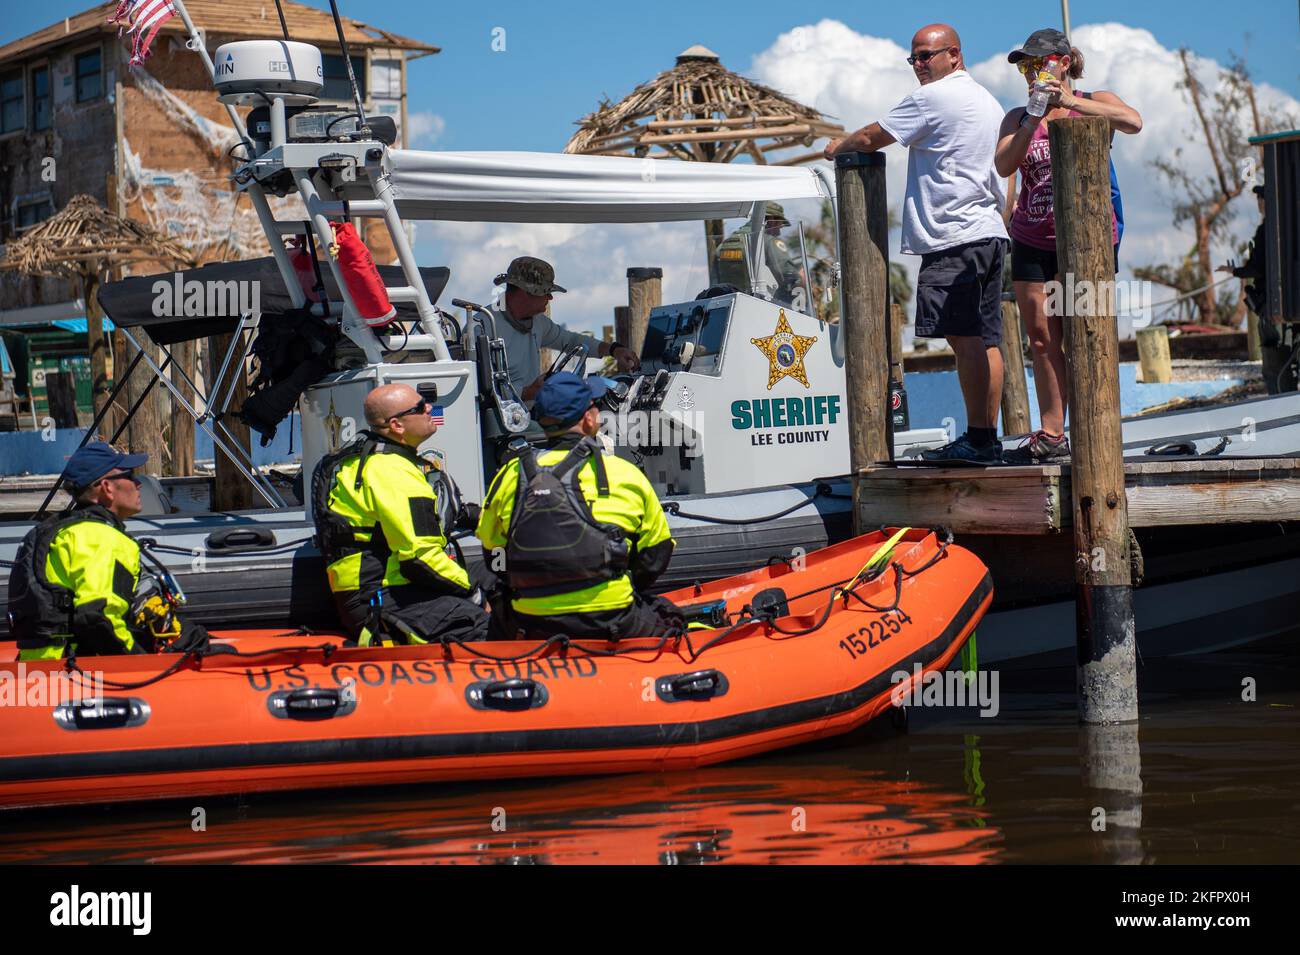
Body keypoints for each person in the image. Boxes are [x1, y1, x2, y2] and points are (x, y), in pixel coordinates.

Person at [825, 23, 1009, 464]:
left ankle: (979, 440)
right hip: (987, 231)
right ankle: (987, 437)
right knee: (985, 340)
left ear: (954, 56)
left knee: (964, 339)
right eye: (914, 59)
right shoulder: (987, 99)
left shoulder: (935, 98)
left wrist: (837, 146)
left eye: (927, 56)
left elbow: (872, 137)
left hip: (954, 235)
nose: (920, 66)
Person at [996, 29, 1142, 464]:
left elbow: (1133, 122)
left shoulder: (1095, 99)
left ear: (1062, 62)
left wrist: (1069, 102)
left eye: (1038, 63)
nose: (1030, 72)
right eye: (1025, 66)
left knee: (1086, 335)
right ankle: (1053, 432)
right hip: (1031, 240)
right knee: (1041, 339)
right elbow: (1004, 163)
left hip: (1086, 243)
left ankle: (1095, 429)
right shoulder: (1017, 116)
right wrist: (1033, 117)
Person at [476, 372, 683, 641]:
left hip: (531, 622)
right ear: (588, 418)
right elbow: (654, 557)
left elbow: (495, 557)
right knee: (672, 618)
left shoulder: (508, 475)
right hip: (612, 618)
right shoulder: (625, 473)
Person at [311, 383, 489, 645]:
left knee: (500, 569)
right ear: (396, 425)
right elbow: (420, 559)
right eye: (420, 407)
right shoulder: (393, 472)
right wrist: (476, 597)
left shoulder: (367, 459)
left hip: (382, 588)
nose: (429, 408)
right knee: (488, 628)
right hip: (386, 596)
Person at [8, 442, 206, 659]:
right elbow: (98, 619)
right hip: (73, 669)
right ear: (107, 487)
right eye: (130, 476)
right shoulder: (101, 538)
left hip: (37, 664)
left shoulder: (60, 531)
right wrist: (140, 660)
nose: (138, 484)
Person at [486, 257, 640, 403]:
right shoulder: (483, 327)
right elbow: (480, 391)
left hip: (530, 418)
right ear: (525, 292)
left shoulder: (538, 322)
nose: (550, 298)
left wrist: (614, 350)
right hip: (502, 426)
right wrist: (528, 393)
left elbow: (572, 341)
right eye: (546, 291)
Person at [1218, 185, 1296, 393]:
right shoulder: (1288, 226)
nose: (1259, 203)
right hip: (1288, 303)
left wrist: (1235, 271)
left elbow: (1257, 269)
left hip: (1272, 305)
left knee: (1274, 357)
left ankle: (1280, 396)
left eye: (1261, 199)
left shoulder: (1267, 230)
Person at [713, 202, 807, 308]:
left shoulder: (724, 245)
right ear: (771, 220)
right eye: (779, 226)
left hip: (728, 309)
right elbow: (789, 275)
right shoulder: (766, 240)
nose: (779, 233)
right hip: (758, 309)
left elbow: (714, 284)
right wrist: (801, 277)